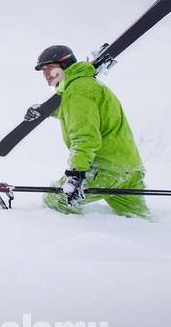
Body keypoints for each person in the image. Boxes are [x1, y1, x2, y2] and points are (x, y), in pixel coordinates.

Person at [33, 45, 150, 219]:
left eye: (50, 67)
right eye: (43, 70)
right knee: (139, 220)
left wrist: (75, 175)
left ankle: (80, 243)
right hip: (129, 169)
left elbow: (85, 137)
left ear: (65, 65)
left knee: (55, 201)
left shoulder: (77, 90)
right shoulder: (87, 85)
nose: (46, 74)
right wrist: (47, 111)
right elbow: (82, 117)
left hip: (105, 170)